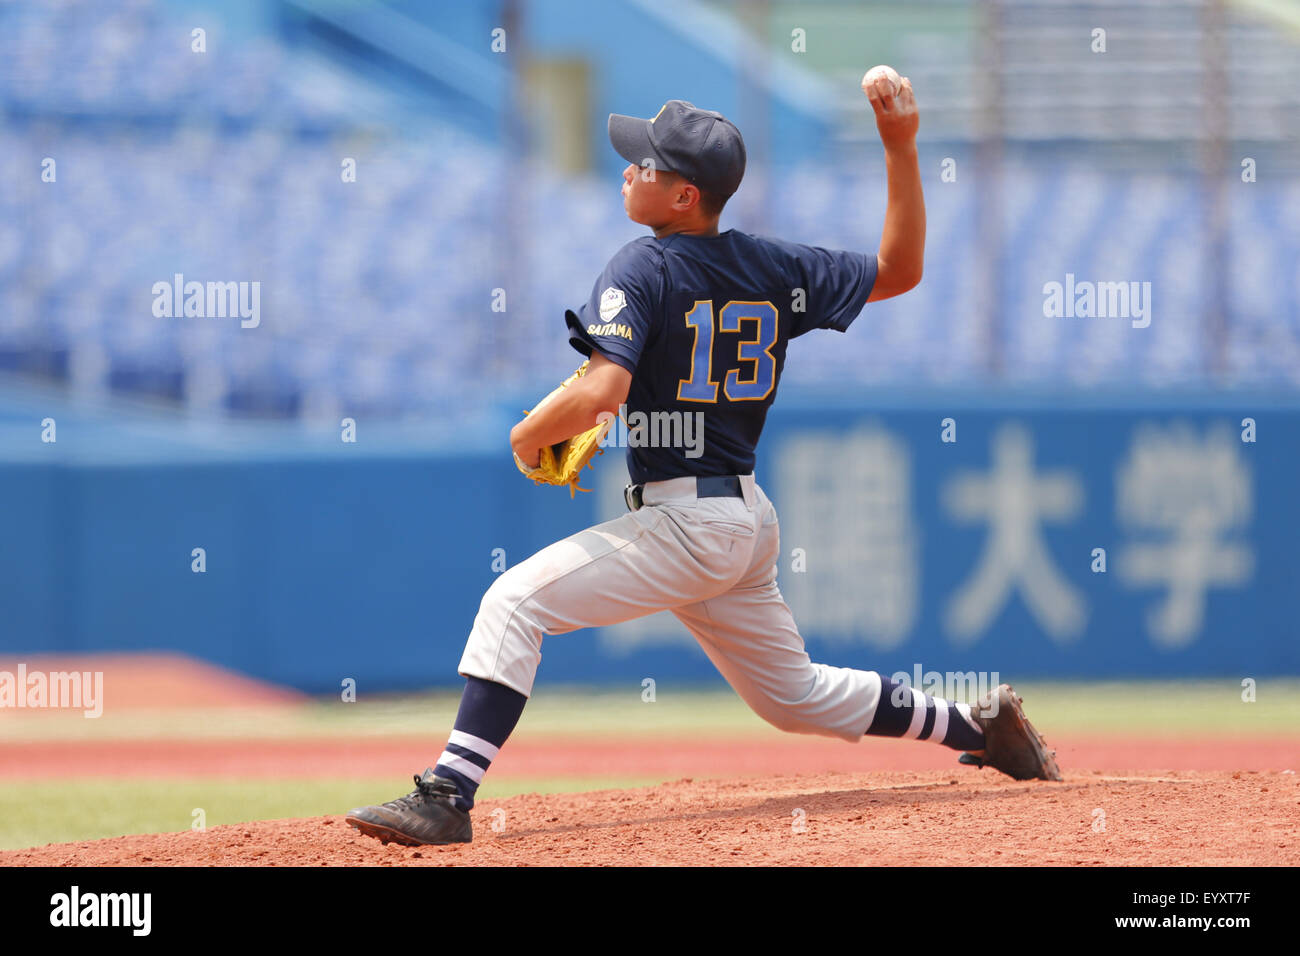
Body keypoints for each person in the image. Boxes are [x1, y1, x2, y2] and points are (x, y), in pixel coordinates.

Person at [346, 74, 1060, 848]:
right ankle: (980, 727)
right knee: (793, 697)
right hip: (742, 520)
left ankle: (448, 793)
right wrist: (901, 148)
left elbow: (603, 390)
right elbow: (901, 271)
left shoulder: (643, 266)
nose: (628, 170)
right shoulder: (774, 268)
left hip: (687, 524)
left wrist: (526, 434)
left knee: (514, 604)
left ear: (684, 195)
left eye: (645, 165)